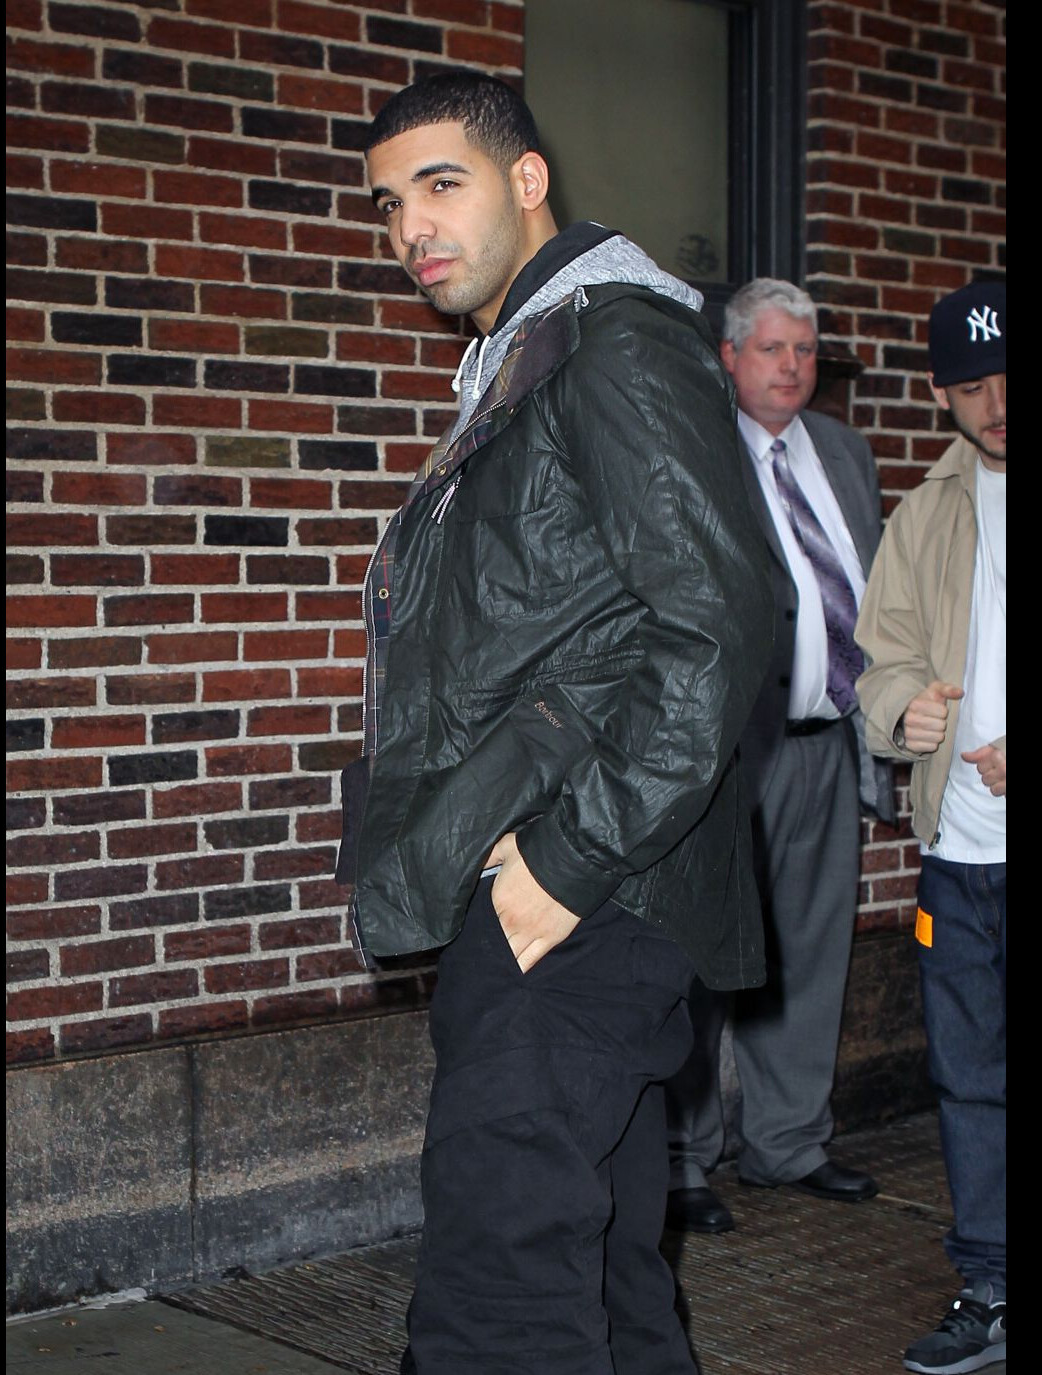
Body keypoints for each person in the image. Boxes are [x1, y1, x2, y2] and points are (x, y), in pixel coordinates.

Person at [340, 71, 773, 1374]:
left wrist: (564, 867)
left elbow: (722, 616)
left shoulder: (613, 340)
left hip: (580, 891)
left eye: (440, 183)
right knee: (601, 1271)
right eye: (387, 202)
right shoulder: (530, 355)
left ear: (528, 180)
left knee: (498, 1296)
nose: (409, 225)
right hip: (571, 890)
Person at [664, 279, 895, 1235]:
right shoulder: (695, 446)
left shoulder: (843, 451)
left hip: (827, 742)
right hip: (731, 754)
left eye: (804, 351)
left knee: (810, 949)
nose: (793, 367)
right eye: (772, 349)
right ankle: (683, 1158)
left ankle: (789, 1140)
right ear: (728, 356)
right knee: (710, 951)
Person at [854, 279, 1005, 1375]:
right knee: (970, 1079)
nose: (996, 402)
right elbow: (883, 650)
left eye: (1010, 379)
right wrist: (900, 709)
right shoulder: (925, 509)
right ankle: (993, 1287)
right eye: (973, 385)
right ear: (941, 393)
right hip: (957, 857)